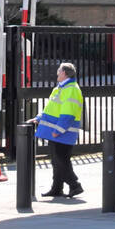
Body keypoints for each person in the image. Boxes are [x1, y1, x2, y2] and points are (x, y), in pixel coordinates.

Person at [33, 61, 84, 198]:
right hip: (56, 133)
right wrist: (39, 118)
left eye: (59, 70)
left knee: (61, 161)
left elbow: (68, 114)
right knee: (57, 161)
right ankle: (57, 188)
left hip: (62, 133)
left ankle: (75, 185)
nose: (57, 72)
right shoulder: (60, 89)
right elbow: (50, 109)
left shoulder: (71, 90)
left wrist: (59, 130)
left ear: (65, 73)